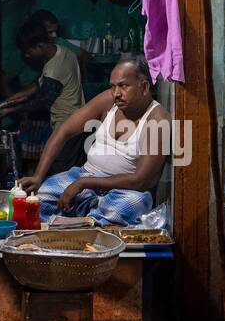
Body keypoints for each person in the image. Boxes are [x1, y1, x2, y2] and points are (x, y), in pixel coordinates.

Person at [21, 56, 167, 225]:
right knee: (42, 196)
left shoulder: (157, 120)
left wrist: (84, 183)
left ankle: (77, 221)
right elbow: (64, 131)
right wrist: (38, 176)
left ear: (145, 87)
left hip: (125, 190)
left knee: (131, 205)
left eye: (123, 86)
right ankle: (89, 220)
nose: (116, 93)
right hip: (85, 173)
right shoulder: (109, 101)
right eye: (113, 86)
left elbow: (141, 180)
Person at [0, 13, 85, 171]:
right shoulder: (63, 52)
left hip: (67, 128)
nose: (26, 55)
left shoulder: (54, 69)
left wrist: (9, 110)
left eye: (29, 51)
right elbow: (36, 85)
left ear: (40, 45)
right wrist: (4, 103)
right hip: (75, 122)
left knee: (61, 171)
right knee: (70, 170)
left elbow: (42, 102)